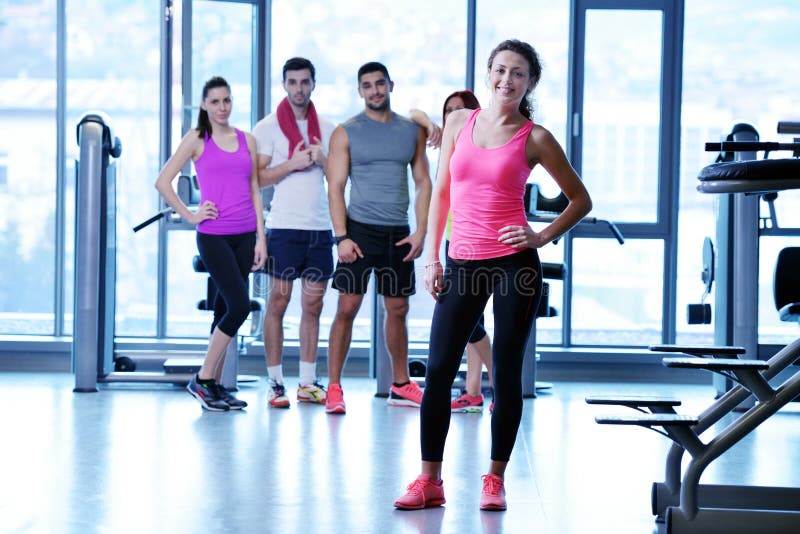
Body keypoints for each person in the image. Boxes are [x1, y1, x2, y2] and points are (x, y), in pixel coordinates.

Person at [395, 40, 591, 510]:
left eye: (518, 73)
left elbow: (580, 200)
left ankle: (495, 479)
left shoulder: (535, 137)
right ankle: (430, 481)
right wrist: (434, 258)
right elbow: (442, 190)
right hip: (461, 261)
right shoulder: (460, 121)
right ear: (488, 73)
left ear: (530, 82)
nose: (507, 80)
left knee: (504, 373)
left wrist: (540, 237)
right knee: (440, 369)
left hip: (513, 266)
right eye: (500, 70)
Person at [325, 61, 433, 414]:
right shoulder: (346, 131)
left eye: (380, 84)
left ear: (390, 85)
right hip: (358, 231)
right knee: (347, 307)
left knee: (397, 309)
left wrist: (420, 231)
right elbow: (336, 187)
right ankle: (334, 388)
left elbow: (422, 182)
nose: (374, 90)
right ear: (360, 91)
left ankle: (400, 384)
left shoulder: (410, 130)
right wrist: (341, 237)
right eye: (367, 85)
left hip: (397, 233)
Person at [156, 76, 267, 411]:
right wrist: (191, 216)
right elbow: (163, 181)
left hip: (245, 235)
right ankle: (203, 379)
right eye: (215, 101)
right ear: (204, 104)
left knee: (222, 310)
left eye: (227, 101)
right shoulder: (196, 139)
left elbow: (254, 191)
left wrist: (261, 238)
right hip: (214, 236)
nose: (222, 107)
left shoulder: (247, 139)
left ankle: (214, 387)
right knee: (239, 307)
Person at [252, 57, 335, 409]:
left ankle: (306, 382)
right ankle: (274, 383)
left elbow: (339, 178)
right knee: (279, 302)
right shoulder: (267, 127)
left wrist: (322, 159)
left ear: (314, 83)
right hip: (283, 227)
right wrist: (293, 163)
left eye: (305, 82)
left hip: (319, 228)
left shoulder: (328, 129)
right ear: (284, 85)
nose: (299, 88)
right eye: (292, 82)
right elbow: (257, 178)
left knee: (312, 305)